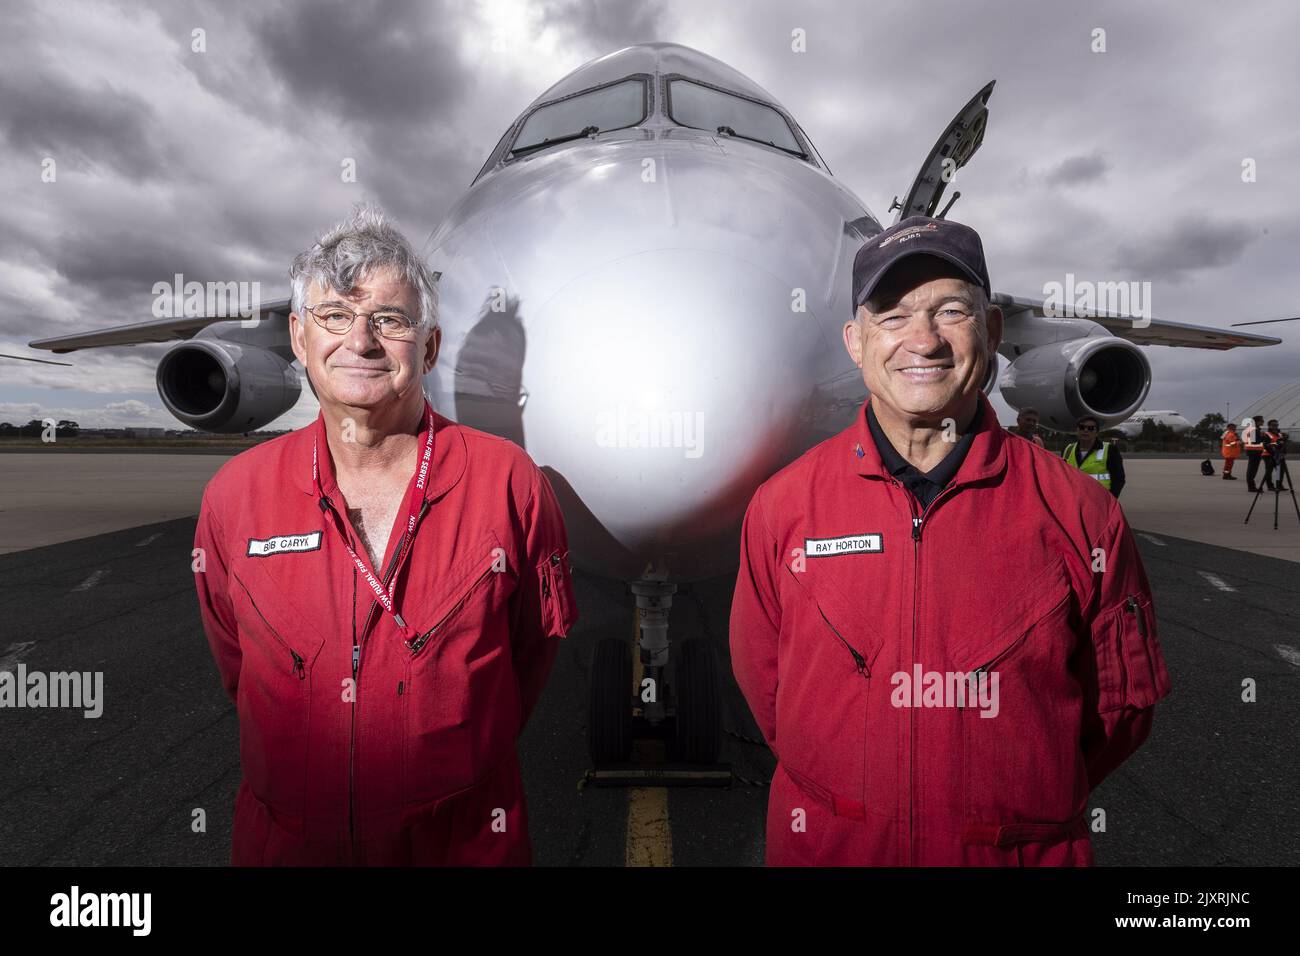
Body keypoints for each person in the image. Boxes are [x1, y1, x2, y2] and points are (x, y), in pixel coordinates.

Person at [729, 215, 1171, 867]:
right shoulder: (784, 507)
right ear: (855, 341)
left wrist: (1010, 811)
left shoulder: (1082, 514)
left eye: (951, 311)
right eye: (893, 314)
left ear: (992, 331)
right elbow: (767, 689)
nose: (924, 340)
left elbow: (1119, 715)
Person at [192, 205, 576, 866]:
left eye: (390, 321)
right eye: (334, 316)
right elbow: (239, 666)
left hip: (459, 845)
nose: (361, 342)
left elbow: (528, 657)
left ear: (428, 347)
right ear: (296, 336)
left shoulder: (509, 485)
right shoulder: (236, 496)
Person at [1062, 415, 1126, 498]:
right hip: (1074, 499)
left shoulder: (1109, 449)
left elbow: (1118, 478)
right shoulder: (1068, 449)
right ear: (1077, 430)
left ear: (1096, 433)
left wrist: (1111, 499)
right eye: (1082, 427)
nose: (1085, 430)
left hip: (1099, 499)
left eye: (1090, 428)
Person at [1243, 415, 1267, 492]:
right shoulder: (1253, 430)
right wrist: (1263, 437)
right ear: (1257, 422)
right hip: (1254, 452)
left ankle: (1251, 486)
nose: (1263, 422)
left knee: (1252, 470)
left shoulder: (1254, 429)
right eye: (1261, 420)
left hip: (1254, 451)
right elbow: (1255, 441)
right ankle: (1251, 487)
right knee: (1252, 470)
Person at [1264, 419, 1288, 492]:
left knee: (1280, 471)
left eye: (1277, 425)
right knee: (1269, 471)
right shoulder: (1266, 434)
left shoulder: (1280, 434)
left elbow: (1282, 444)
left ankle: (1279, 485)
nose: (1275, 427)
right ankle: (1270, 486)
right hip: (1268, 455)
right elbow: (1266, 445)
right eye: (1273, 425)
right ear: (1269, 426)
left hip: (1279, 455)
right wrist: (1274, 450)